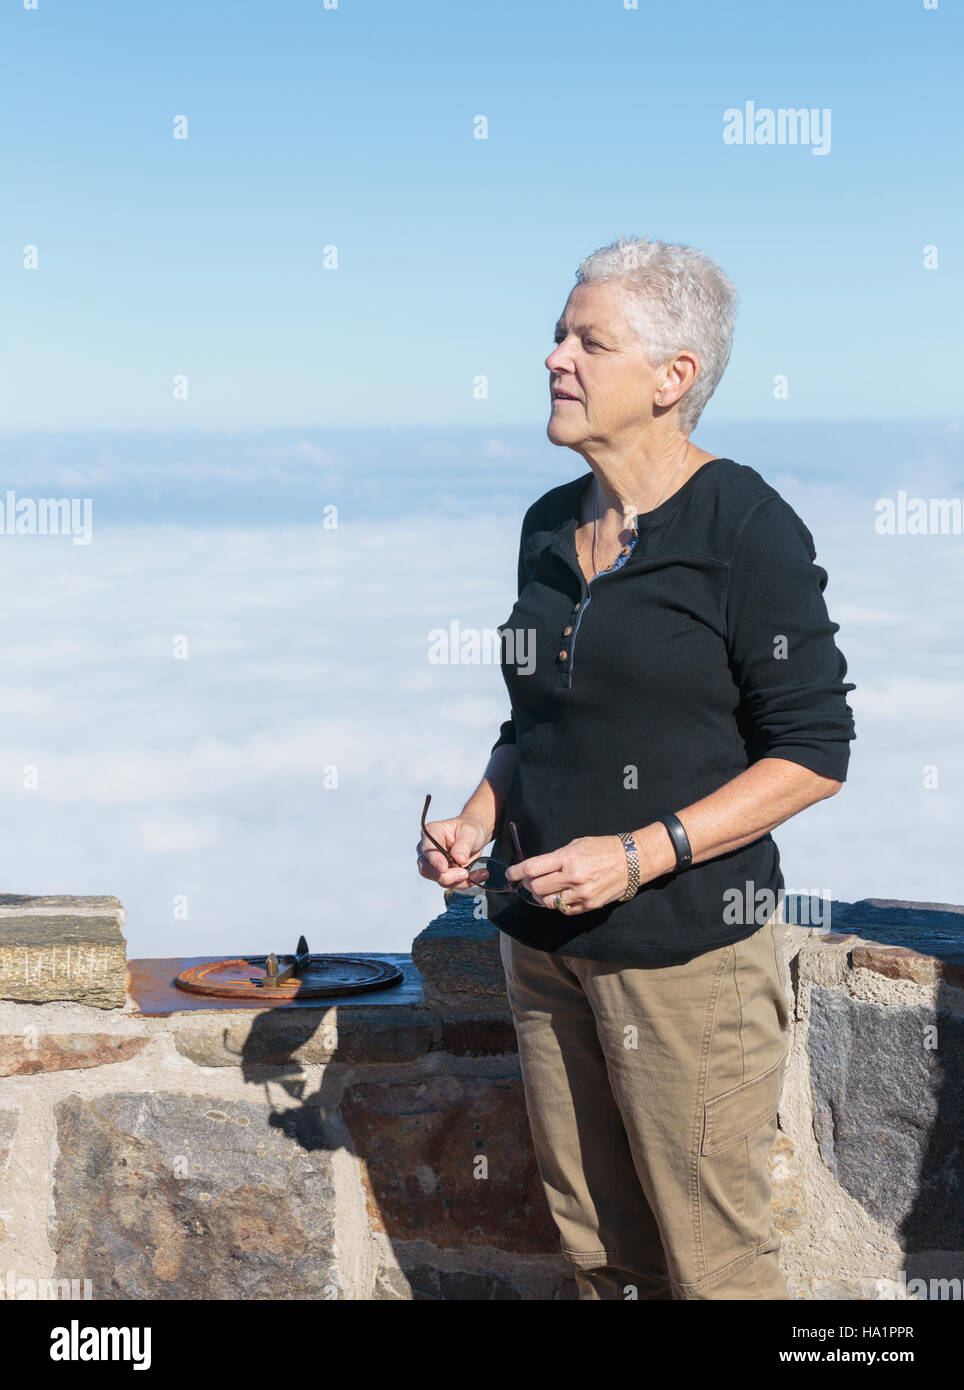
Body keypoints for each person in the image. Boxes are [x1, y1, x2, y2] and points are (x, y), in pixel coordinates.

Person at [417, 235, 856, 1300]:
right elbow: (535, 720)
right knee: (599, 1254)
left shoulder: (743, 526)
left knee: (713, 1269)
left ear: (673, 379)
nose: (555, 357)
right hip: (543, 947)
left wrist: (638, 852)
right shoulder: (544, 526)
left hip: (687, 962)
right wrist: (479, 813)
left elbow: (814, 753)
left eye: (587, 340)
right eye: (558, 335)